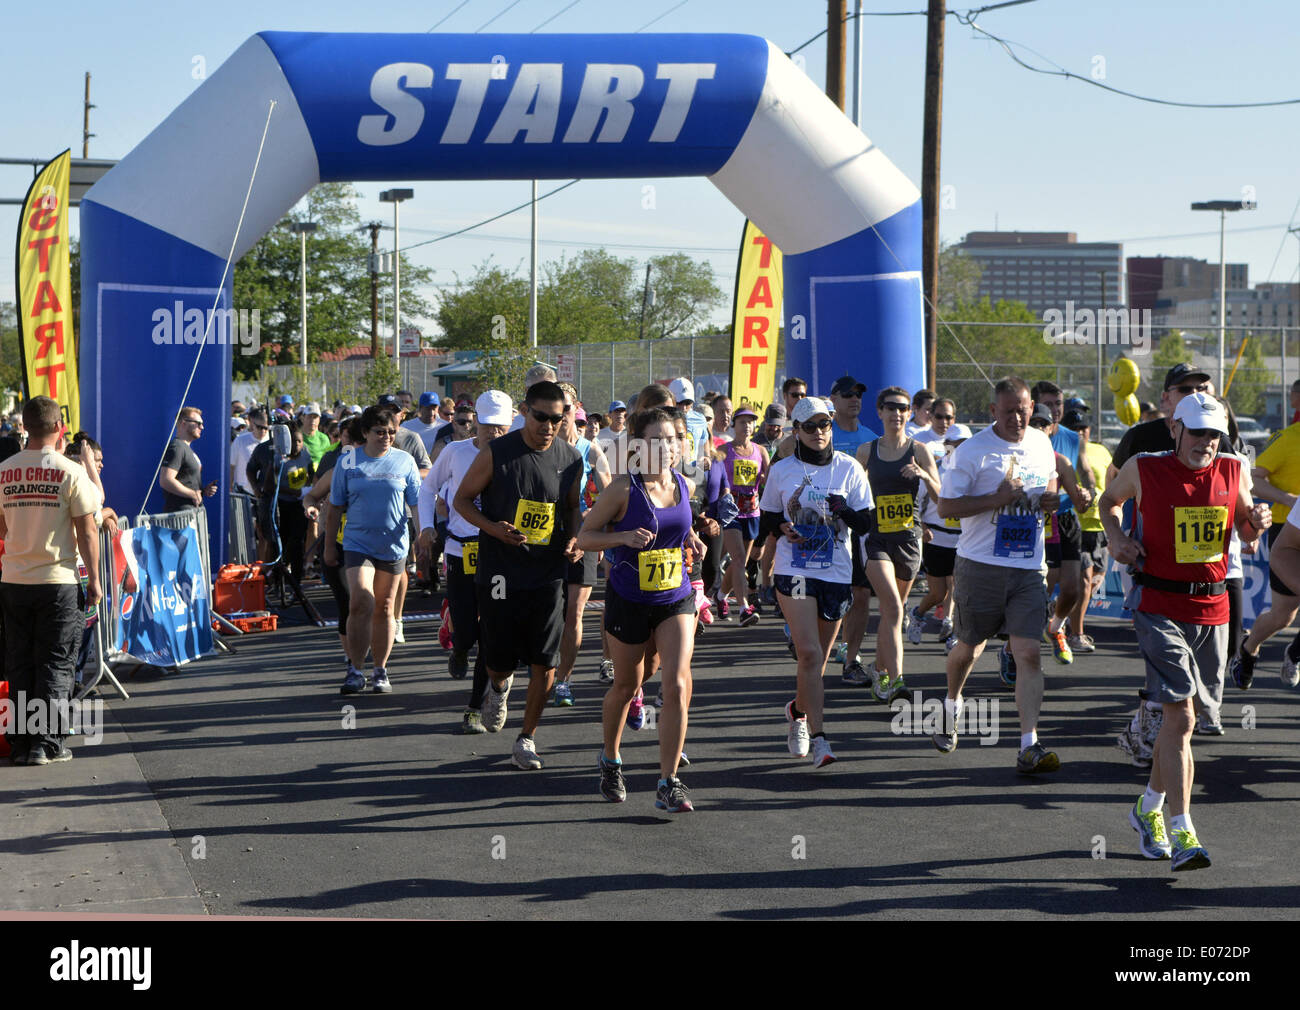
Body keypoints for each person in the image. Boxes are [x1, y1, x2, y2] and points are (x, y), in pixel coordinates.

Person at [1099, 393, 1270, 871]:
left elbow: (1246, 527)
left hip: (1212, 609)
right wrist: (1116, 537)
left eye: (1214, 433)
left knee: (1183, 720)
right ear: (1175, 428)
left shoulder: (1234, 468)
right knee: (1183, 718)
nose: (1206, 442)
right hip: (1157, 604)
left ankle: (1147, 807)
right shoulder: (1145, 466)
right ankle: (1184, 831)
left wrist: (1256, 522)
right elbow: (1108, 500)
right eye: (1197, 432)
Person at [452, 381, 583, 771]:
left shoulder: (571, 458)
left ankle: (526, 738)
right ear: (524, 411)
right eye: (540, 416)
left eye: (557, 419)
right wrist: (493, 529)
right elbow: (461, 500)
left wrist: (576, 536)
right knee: (499, 659)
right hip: (500, 571)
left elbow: (574, 507)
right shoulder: (497, 452)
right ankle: (498, 685)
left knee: (545, 661)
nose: (548, 425)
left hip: (547, 572)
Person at [934, 376, 1062, 773]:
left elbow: (1052, 476)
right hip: (981, 566)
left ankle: (1029, 744)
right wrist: (998, 499)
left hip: (1027, 566)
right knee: (970, 647)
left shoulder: (1041, 442)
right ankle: (951, 704)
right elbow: (945, 508)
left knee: (1028, 653)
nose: (1017, 418)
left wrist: (1051, 498)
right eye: (1008, 412)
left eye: (1023, 410)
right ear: (993, 412)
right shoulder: (973, 452)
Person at [579, 406, 704, 811]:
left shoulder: (685, 484)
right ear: (637, 446)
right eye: (655, 440)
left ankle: (669, 780)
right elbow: (585, 537)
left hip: (675, 597)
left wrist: (692, 541)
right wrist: (623, 538)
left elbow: (678, 529)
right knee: (626, 687)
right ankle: (610, 759)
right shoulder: (622, 489)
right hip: (629, 598)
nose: (666, 447)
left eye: (671, 439)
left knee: (678, 684)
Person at [760, 396, 874, 768]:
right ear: (796, 431)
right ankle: (820, 737)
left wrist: (842, 508)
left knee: (818, 661)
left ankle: (797, 710)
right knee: (808, 653)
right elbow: (768, 518)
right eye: (810, 426)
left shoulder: (850, 468)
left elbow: (866, 524)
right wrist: (783, 528)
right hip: (795, 568)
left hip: (836, 571)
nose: (819, 432)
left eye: (824, 424)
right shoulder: (782, 470)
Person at [0, 397, 102, 765]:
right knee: (55, 663)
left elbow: (2, 526)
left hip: (13, 580)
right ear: (60, 427)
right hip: (58, 579)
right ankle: (47, 744)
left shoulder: (5, 470)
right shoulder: (70, 471)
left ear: (24, 426)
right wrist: (95, 580)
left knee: (20, 664)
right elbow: (88, 531)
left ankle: (22, 744)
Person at [419, 390, 513, 733]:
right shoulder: (456, 452)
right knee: (467, 631)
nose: (495, 433)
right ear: (476, 423)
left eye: (501, 427)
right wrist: (427, 527)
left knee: (491, 632)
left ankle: (474, 707)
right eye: (488, 427)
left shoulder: (516, 455)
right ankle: (458, 645)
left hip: (499, 554)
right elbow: (427, 489)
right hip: (460, 551)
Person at [324, 405, 421, 696]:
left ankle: (380, 669)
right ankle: (355, 669)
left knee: (386, 606)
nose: (387, 437)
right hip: (357, 542)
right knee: (360, 601)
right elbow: (334, 507)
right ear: (365, 433)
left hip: (393, 544)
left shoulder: (404, 461)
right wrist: (329, 546)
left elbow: (417, 504)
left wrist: (424, 537)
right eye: (380, 432)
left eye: (391, 432)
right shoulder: (348, 461)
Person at [856, 387, 941, 700]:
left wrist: (924, 475)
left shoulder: (920, 450)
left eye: (902, 408)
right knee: (892, 605)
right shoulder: (867, 451)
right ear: (879, 412)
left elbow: (939, 496)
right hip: (876, 538)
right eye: (890, 408)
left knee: (894, 612)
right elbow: (854, 492)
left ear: (910, 413)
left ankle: (879, 670)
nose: (896, 414)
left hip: (908, 539)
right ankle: (897, 681)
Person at [1230, 406, 1300, 689]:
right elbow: (1253, 482)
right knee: (1283, 615)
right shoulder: (1289, 439)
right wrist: (1290, 500)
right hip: (1290, 534)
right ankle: (1248, 649)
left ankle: (1294, 655)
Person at [552, 382, 611, 706]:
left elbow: (610, 493)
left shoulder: (591, 449)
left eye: (567, 406)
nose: (562, 413)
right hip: (546, 536)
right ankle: (543, 667)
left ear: (576, 409)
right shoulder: (541, 446)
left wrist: (594, 524)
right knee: (548, 611)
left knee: (574, 612)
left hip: (583, 536)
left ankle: (564, 680)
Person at [1031, 380, 1095, 666]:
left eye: (1059, 404)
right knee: (1039, 587)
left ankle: (1055, 628)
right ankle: (1014, 649)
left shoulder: (1071, 438)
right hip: (1035, 519)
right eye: (1049, 405)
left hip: (1066, 518)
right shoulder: (1027, 439)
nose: (1056, 410)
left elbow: (1086, 473)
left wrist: (1088, 492)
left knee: (1072, 588)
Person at [304, 417, 364, 671]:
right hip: (337, 543)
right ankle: (353, 660)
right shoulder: (335, 465)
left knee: (369, 603)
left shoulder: (382, 464)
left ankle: (370, 655)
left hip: (370, 545)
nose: (348, 445)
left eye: (355, 440)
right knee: (348, 602)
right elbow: (311, 495)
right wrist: (311, 509)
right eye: (345, 440)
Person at [910, 423, 972, 652]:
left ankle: (952, 632)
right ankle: (917, 614)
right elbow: (917, 504)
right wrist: (922, 528)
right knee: (938, 593)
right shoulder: (934, 469)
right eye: (956, 444)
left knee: (960, 588)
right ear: (947, 445)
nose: (961, 448)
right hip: (936, 538)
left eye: (965, 443)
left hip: (964, 540)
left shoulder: (974, 470)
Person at [1062, 409, 1112, 654]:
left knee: (1095, 581)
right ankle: (1076, 634)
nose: (1080, 431)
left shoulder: (1102, 451)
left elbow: (1112, 481)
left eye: (1083, 427)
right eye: (1074, 428)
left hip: (1101, 526)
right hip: (1076, 524)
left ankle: (1059, 613)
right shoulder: (1064, 452)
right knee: (1083, 583)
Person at [718, 404, 769, 626]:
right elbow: (716, 481)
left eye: (750, 421)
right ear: (734, 425)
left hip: (752, 512)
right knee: (738, 559)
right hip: (731, 513)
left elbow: (769, 479)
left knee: (740, 562)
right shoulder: (724, 450)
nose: (747, 425)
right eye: (742, 421)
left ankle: (720, 596)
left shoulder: (761, 450)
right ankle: (744, 608)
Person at [262, 419, 314, 587]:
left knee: (297, 542)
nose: (298, 445)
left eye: (300, 441)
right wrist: (291, 491)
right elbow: (269, 485)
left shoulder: (305, 454)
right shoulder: (279, 458)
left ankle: (296, 581)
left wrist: (308, 488)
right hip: (283, 506)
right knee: (282, 543)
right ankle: (278, 581)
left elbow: (311, 472)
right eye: (294, 442)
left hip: (300, 506)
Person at [159, 406, 218, 512]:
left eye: (202, 424)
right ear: (183, 423)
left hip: (191, 512)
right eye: (198, 423)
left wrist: (202, 491)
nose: (202, 427)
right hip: (180, 516)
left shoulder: (185, 448)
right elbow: (165, 480)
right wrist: (193, 494)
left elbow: (186, 481)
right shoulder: (177, 447)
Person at [231, 407, 269, 496]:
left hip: (265, 494)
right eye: (259, 427)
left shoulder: (271, 441)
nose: (263, 431)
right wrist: (230, 487)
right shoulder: (240, 440)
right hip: (244, 492)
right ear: (253, 425)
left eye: (265, 428)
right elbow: (231, 466)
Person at [300, 403, 331, 469]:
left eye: (315, 417)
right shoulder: (296, 436)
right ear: (302, 418)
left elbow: (328, 462)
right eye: (309, 417)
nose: (312, 420)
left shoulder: (324, 439)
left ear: (319, 419)